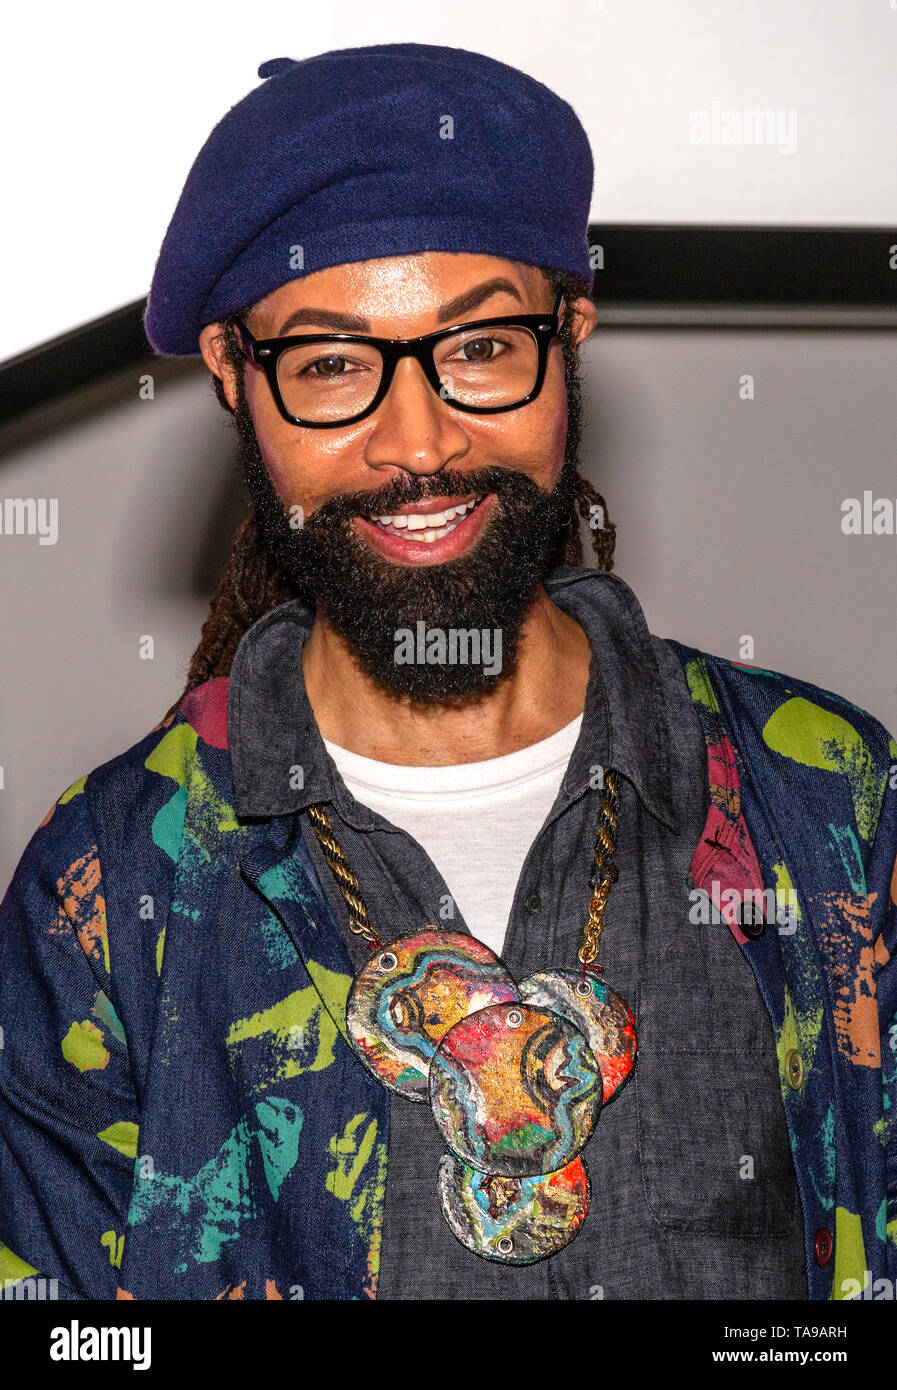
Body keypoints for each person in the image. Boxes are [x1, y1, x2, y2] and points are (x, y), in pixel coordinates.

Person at [0, 42, 894, 1303]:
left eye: (478, 348)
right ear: (230, 378)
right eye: (329, 365)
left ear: (570, 337)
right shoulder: (106, 882)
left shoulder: (833, 799)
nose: (417, 441)